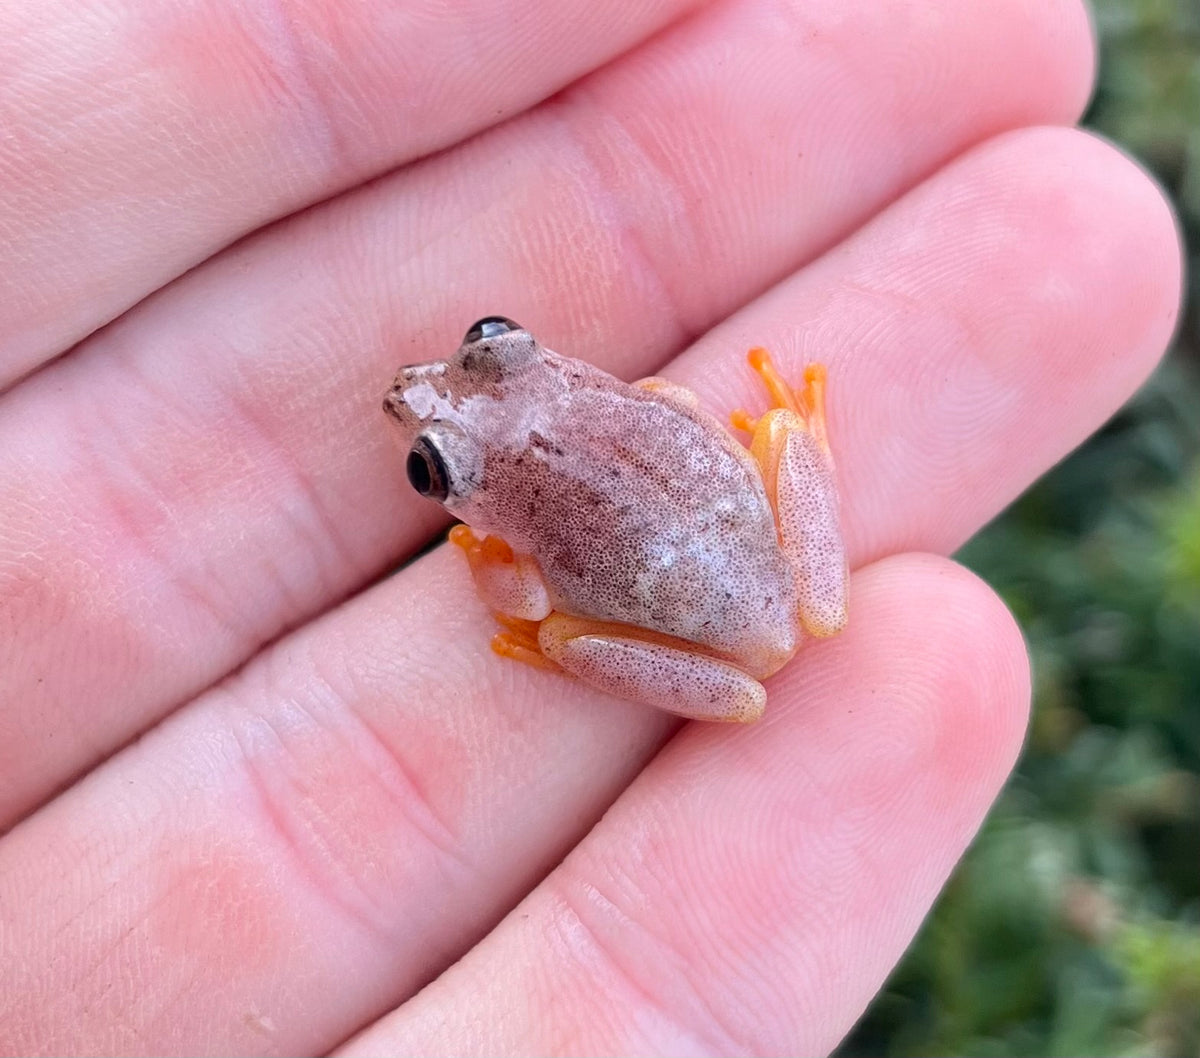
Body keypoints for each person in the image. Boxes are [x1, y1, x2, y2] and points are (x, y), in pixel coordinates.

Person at [0, 1, 1181, 1053]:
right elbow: (665, 408)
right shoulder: (586, 388)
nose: (448, 373)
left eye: (485, 351)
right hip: (768, 577)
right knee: (768, 531)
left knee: (587, 635)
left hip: (732, 628)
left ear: (518, 351)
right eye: (438, 465)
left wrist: (499, 572)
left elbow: (523, 597)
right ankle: (794, 439)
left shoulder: (531, 459)